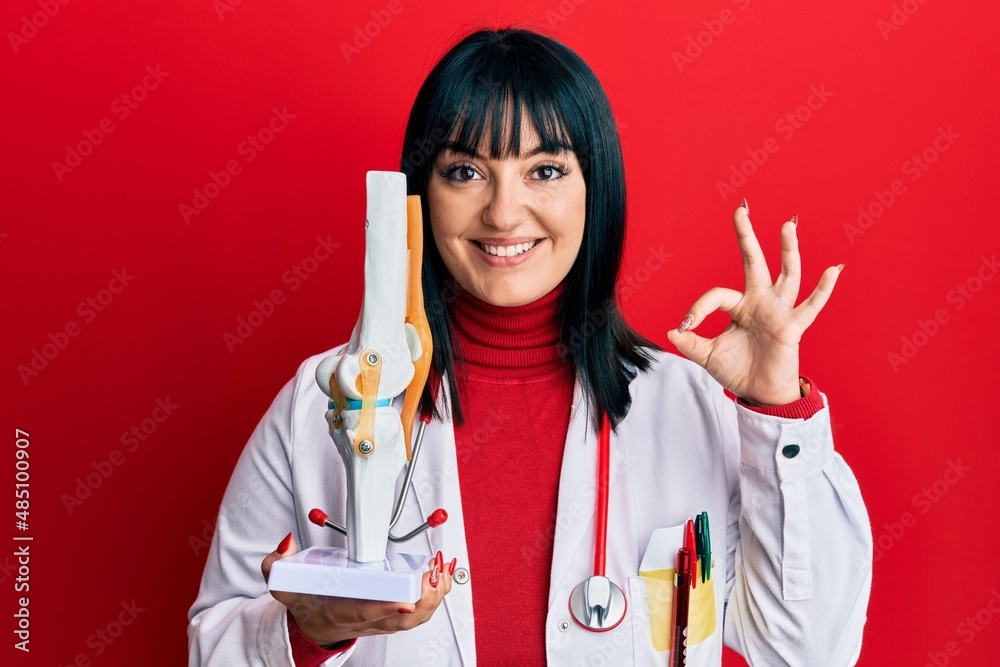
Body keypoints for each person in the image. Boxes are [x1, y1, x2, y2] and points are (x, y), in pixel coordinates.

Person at [188, 26, 872, 666]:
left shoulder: (685, 404)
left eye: (544, 170)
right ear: (419, 194)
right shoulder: (322, 403)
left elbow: (809, 649)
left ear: (592, 190)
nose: (504, 212)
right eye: (465, 171)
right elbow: (210, 650)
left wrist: (776, 408)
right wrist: (310, 630)